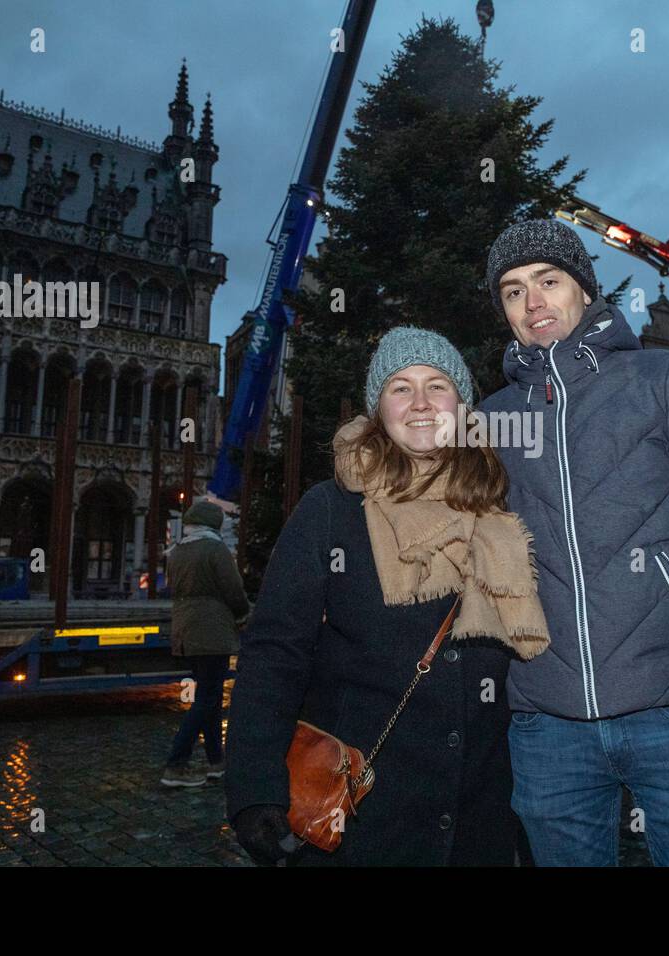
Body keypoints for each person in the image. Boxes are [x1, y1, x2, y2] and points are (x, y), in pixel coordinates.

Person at [478, 218, 669, 866]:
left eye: (548, 281)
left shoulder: (664, 382)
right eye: (512, 291)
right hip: (548, 729)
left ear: (583, 287)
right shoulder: (492, 419)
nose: (532, 303)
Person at [225, 327, 549, 866]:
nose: (420, 403)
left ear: (462, 405)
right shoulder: (332, 509)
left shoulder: (500, 512)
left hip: (480, 822)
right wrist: (256, 787)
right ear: (379, 409)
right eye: (400, 388)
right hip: (364, 819)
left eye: (437, 386)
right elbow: (274, 654)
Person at [160, 499, 250, 788]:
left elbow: (172, 587)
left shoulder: (177, 552)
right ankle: (176, 763)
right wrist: (243, 614)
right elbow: (233, 588)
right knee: (206, 700)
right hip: (212, 630)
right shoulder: (215, 549)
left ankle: (215, 761)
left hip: (186, 629)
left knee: (208, 698)